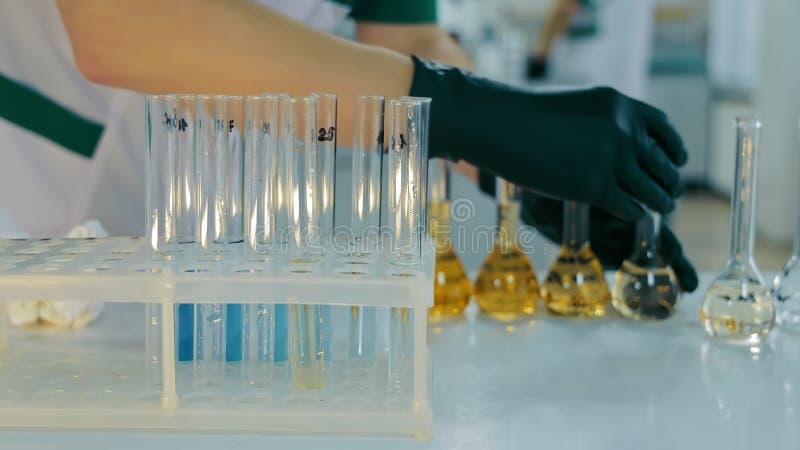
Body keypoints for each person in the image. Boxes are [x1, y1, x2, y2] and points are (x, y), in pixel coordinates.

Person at [1, 0, 696, 292]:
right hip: (23, 200)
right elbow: (118, 23)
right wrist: (471, 116)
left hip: (220, 251)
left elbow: (407, 42)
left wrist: (515, 154)